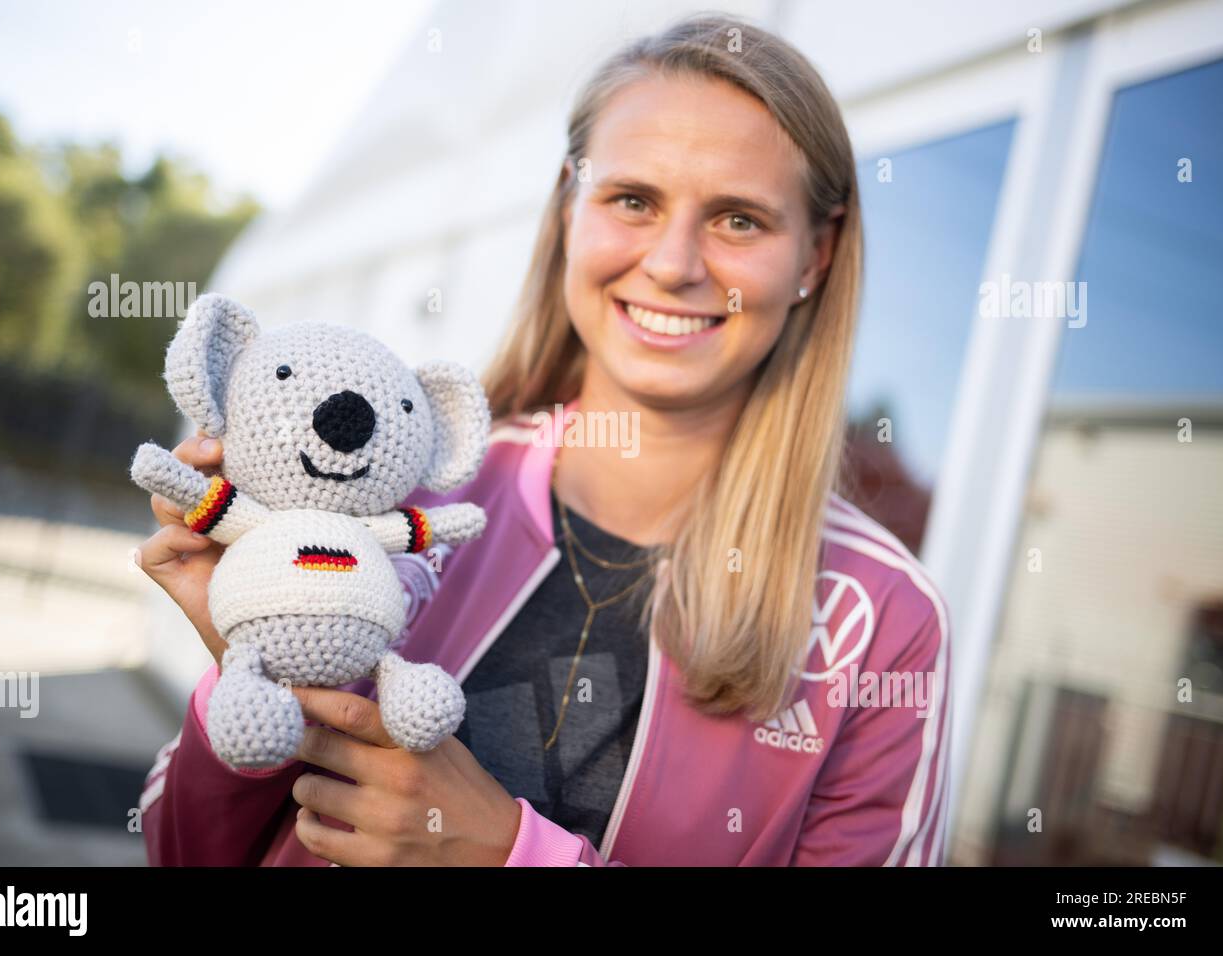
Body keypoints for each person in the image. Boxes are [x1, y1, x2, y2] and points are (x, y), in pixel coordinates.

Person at [134, 13, 951, 867]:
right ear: (570, 208)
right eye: (633, 200)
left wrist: (511, 856)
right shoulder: (408, 489)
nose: (674, 263)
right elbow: (182, 853)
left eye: (739, 219)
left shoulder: (885, 624)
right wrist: (250, 664)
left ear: (816, 256)